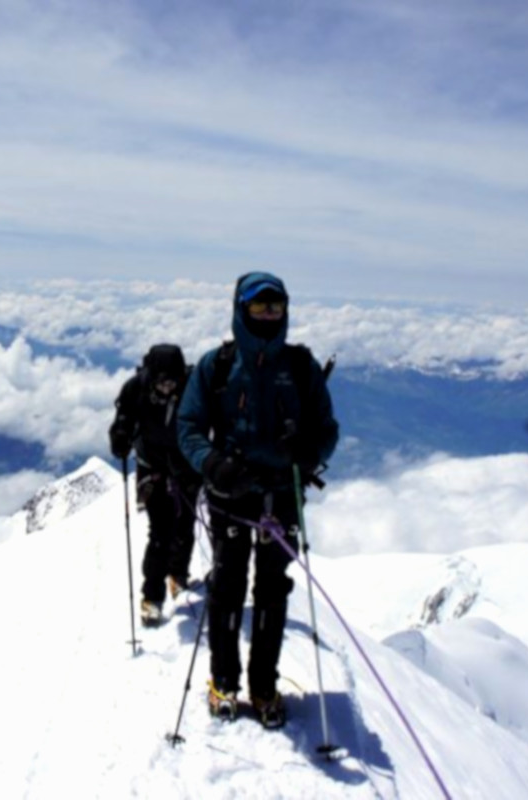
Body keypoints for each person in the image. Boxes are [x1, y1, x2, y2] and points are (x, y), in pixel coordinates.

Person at [177, 272, 339, 729]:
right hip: (231, 494)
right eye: (258, 306)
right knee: (227, 588)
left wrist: (310, 453)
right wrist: (212, 464)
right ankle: (224, 681)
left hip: (282, 495)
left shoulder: (301, 367)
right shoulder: (217, 366)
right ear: (241, 308)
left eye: (275, 306)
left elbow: (326, 430)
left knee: (271, 592)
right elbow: (188, 427)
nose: (268, 315)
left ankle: (264, 686)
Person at [109, 344, 203, 627]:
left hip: (185, 465)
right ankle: (152, 597)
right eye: (162, 382)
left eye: (173, 381)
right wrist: (120, 436)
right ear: (151, 376)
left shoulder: (193, 388)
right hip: (153, 466)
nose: (167, 387)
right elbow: (123, 418)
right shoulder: (136, 388)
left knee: (185, 523)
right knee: (161, 531)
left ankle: (178, 575)